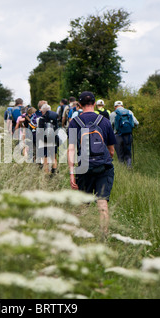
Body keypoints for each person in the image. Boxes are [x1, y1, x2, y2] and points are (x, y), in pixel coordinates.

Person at [68, 91, 116, 236]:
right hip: (103, 167)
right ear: (94, 104)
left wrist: (72, 173)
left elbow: (71, 149)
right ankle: (104, 236)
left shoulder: (74, 122)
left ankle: (80, 235)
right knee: (102, 203)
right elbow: (111, 150)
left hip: (83, 168)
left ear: (79, 105)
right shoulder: (105, 121)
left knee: (82, 204)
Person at [110, 101, 139, 168]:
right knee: (128, 153)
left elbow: (110, 126)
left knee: (120, 154)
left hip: (117, 136)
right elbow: (136, 123)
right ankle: (129, 166)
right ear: (122, 106)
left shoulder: (113, 114)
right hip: (128, 135)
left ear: (115, 107)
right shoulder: (129, 112)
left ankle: (122, 168)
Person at [37, 104, 59, 175]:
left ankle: (46, 173)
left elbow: (40, 131)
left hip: (44, 140)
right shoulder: (55, 118)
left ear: (42, 111)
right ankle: (54, 172)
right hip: (53, 140)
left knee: (45, 157)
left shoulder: (41, 119)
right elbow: (57, 129)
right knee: (53, 156)